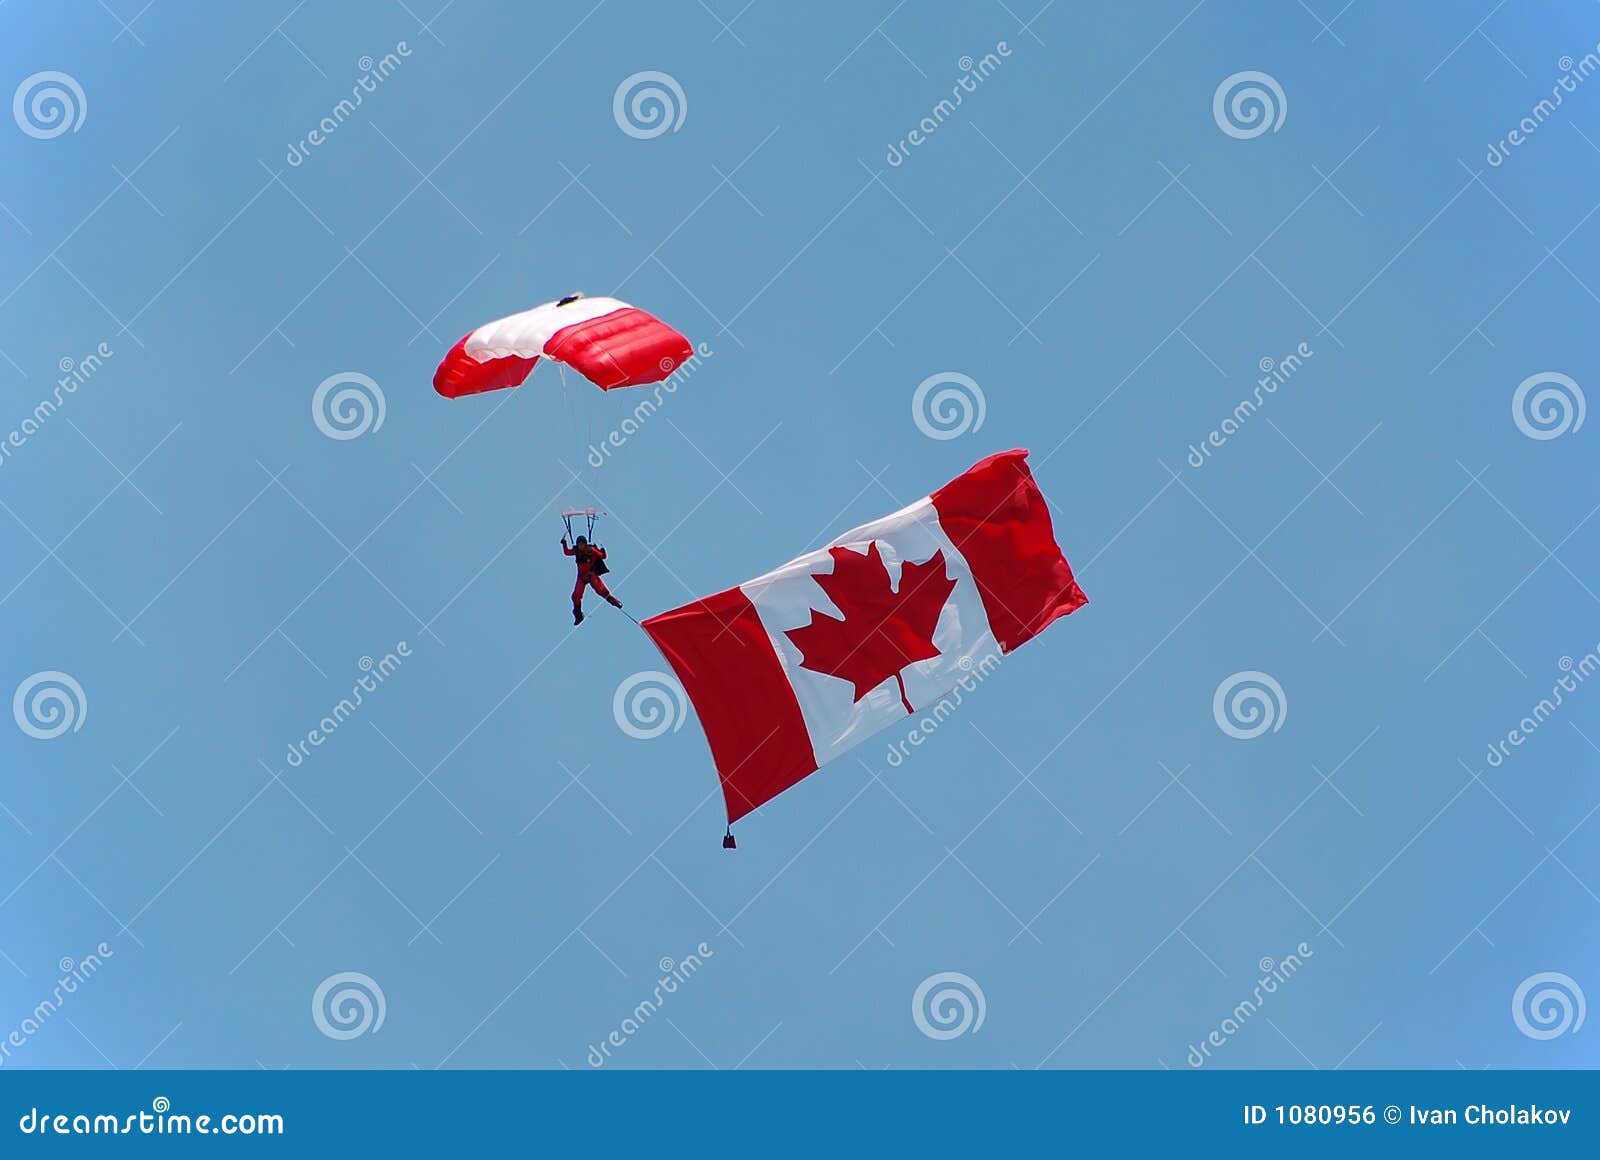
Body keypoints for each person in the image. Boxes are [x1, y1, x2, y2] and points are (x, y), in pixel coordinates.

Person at [563, 534, 621, 625]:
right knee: (575, 596)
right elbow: (567, 552)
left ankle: (614, 602)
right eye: (579, 544)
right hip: (581, 577)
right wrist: (564, 542)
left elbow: (603, 556)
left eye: (582, 544)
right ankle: (578, 616)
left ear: (585, 544)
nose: (580, 546)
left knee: (601, 591)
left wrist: (602, 549)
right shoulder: (576, 551)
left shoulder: (591, 550)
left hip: (591, 575)